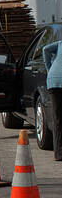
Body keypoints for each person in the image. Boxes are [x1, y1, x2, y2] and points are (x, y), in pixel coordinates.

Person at [42, 34, 62, 163]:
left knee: (58, 118)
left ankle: (59, 154)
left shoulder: (60, 43)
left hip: (53, 80)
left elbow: (45, 49)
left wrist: (49, 68)